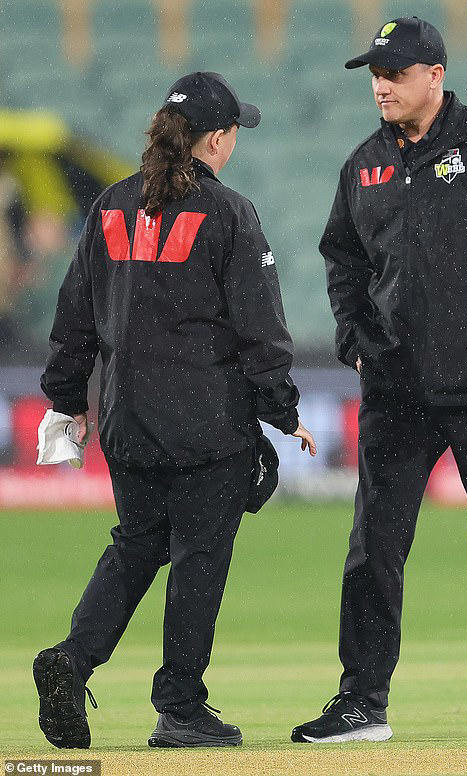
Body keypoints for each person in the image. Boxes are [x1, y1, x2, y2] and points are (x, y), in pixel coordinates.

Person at [292, 18, 467, 743]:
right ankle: (362, 703)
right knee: (373, 548)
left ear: (435, 76)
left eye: (395, 72)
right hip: (396, 390)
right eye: (374, 74)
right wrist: (354, 340)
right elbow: (342, 261)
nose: (380, 85)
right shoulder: (363, 164)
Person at [33, 71, 316, 750]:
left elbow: (74, 319)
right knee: (199, 555)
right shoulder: (229, 214)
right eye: (233, 134)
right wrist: (282, 410)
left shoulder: (110, 205)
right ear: (215, 141)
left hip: (127, 418)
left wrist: (67, 401)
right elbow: (259, 329)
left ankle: (74, 659)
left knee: (137, 543)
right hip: (207, 422)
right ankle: (181, 707)